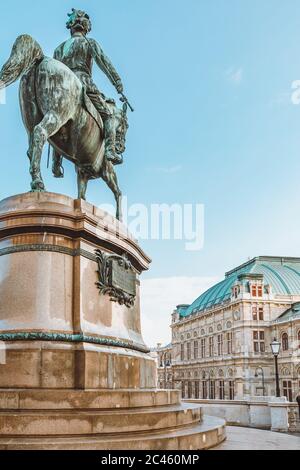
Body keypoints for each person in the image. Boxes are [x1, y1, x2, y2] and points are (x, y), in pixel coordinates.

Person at [52, 9, 124, 177]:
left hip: (63, 85)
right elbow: (105, 64)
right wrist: (117, 83)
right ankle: (111, 150)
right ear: (85, 27)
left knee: (56, 116)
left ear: (71, 27)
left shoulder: (58, 49)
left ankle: (57, 163)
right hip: (84, 82)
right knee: (109, 116)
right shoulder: (89, 43)